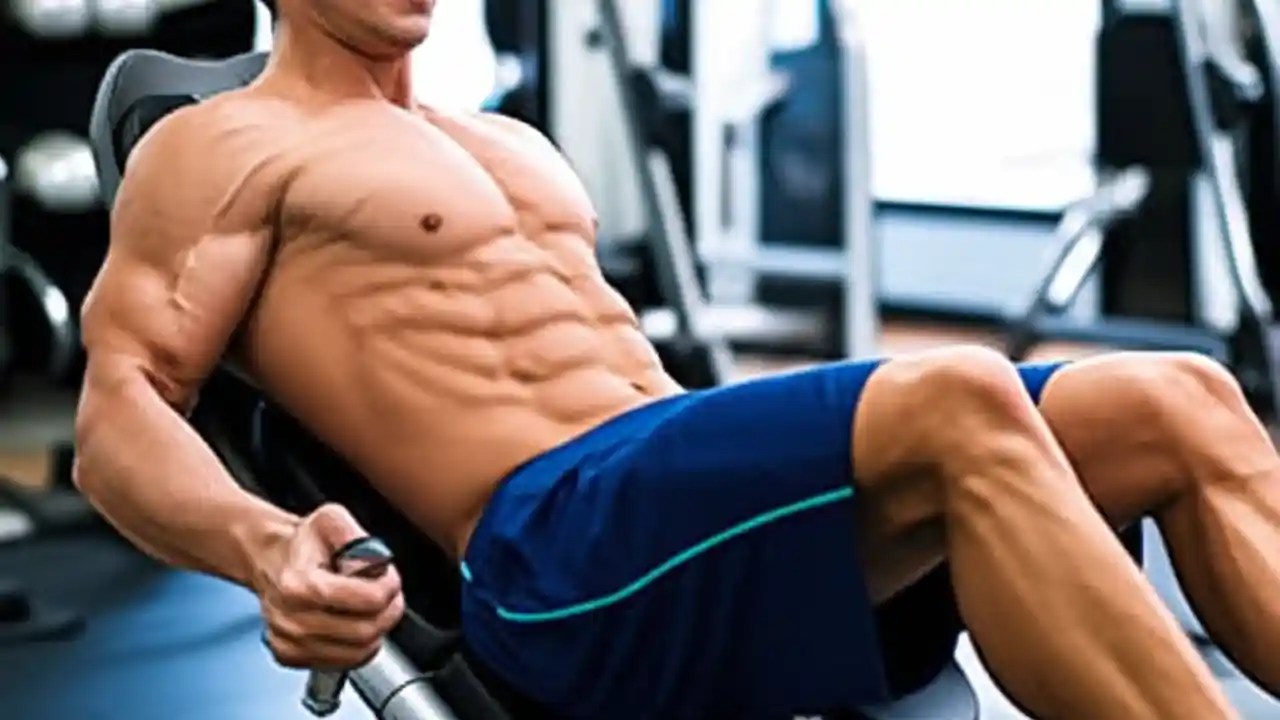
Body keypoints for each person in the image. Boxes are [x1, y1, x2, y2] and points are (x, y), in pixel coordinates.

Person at [72, 0, 1280, 718]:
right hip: (557, 556)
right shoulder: (221, 142)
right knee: (955, 393)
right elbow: (117, 412)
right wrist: (266, 546)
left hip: (681, 508)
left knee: (1176, 399)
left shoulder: (506, 140)